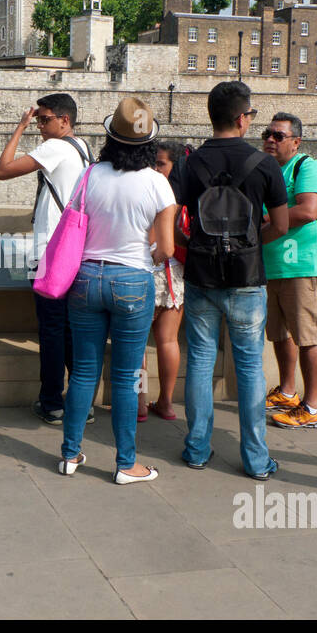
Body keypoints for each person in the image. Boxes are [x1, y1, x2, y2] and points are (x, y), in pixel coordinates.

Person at [170, 81, 289, 479]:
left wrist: (195, 244)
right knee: (250, 366)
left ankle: (197, 449)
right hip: (246, 277)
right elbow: (282, 224)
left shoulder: (191, 162)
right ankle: (256, 460)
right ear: (242, 119)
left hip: (202, 275)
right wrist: (251, 242)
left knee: (200, 361)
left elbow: (175, 224)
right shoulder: (265, 163)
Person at [58, 96, 177, 483]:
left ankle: (70, 455)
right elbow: (167, 250)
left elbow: (74, 223)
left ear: (110, 137)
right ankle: (126, 463)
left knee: (83, 374)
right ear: (148, 143)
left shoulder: (90, 175)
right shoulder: (158, 183)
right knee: (127, 378)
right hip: (132, 281)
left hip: (87, 278)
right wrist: (145, 249)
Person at [0, 93, 93, 426]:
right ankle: (82, 403)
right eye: (37, 120)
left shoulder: (56, 146)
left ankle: (52, 402)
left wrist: (19, 128)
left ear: (64, 120)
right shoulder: (83, 148)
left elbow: (3, 170)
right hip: (74, 251)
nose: (39, 125)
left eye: (44, 119)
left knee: (52, 330)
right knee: (69, 330)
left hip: (51, 251)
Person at [259, 112, 317, 430]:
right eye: (267, 134)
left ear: (296, 142)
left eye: (279, 136)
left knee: (307, 336)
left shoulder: (306, 167)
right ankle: (288, 391)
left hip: (301, 265)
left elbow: (308, 210)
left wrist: (267, 224)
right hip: (272, 264)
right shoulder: (267, 170)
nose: (270, 140)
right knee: (279, 333)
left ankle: (312, 406)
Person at [137, 140, 190, 422]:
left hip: (149, 273)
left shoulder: (155, 193)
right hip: (175, 276)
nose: (155, 168)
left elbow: (150, 239)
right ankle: (166, 403)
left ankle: (140, 402)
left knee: (138, 345)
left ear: (173, 166)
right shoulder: (185, 197)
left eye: (161, 163)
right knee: (169, 341)